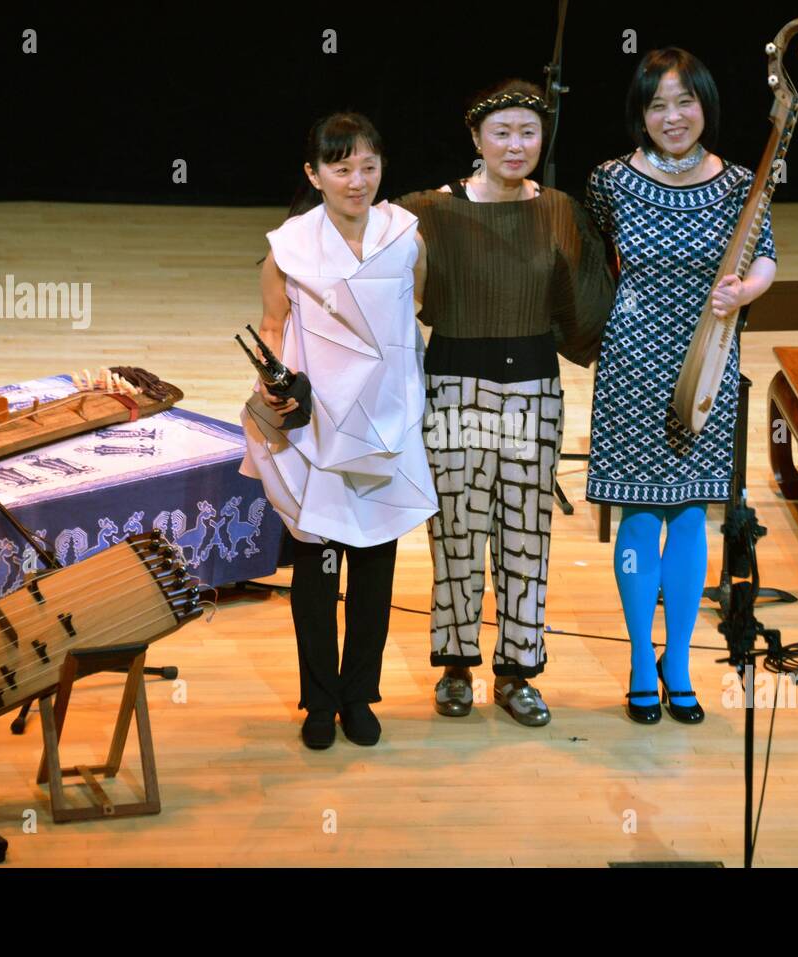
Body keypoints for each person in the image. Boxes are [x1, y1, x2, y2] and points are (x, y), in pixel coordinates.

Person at [396, 80, 615, 726]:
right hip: (454, 383)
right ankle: (457, 663)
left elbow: (586, 306)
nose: (515, 145)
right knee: (457, 529)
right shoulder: (428, 211)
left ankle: (518, 669)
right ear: (476, 140)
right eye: (502, 132)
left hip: (533, 388)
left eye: (528, 132)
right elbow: (363, 248)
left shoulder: (559, 211)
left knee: (526, 534)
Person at [583, 49, 777, 725]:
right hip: (633, 360)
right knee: (639, 510)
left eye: (685, 102)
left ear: (706, 105)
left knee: (692, 511)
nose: (673, 116)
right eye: (657, 104)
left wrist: (746, 289)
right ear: (641, 113)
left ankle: (681, 660)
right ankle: (642, 660)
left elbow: (766, 254)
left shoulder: (740, 185)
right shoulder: (609, 181)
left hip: (709, 361)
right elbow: (591, 259)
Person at [240, 112, 437, 749]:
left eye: (368, 166)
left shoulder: (405, 233)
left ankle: (360, 695)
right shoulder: (290, 244)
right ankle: (319, 700)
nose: (357, 180)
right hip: (317, 427)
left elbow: (412, 313)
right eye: (341, 167)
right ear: (314, 173)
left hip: (383, 422)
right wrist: (277, 384)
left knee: (376, 566)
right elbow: (272, 328)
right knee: (319, 570)